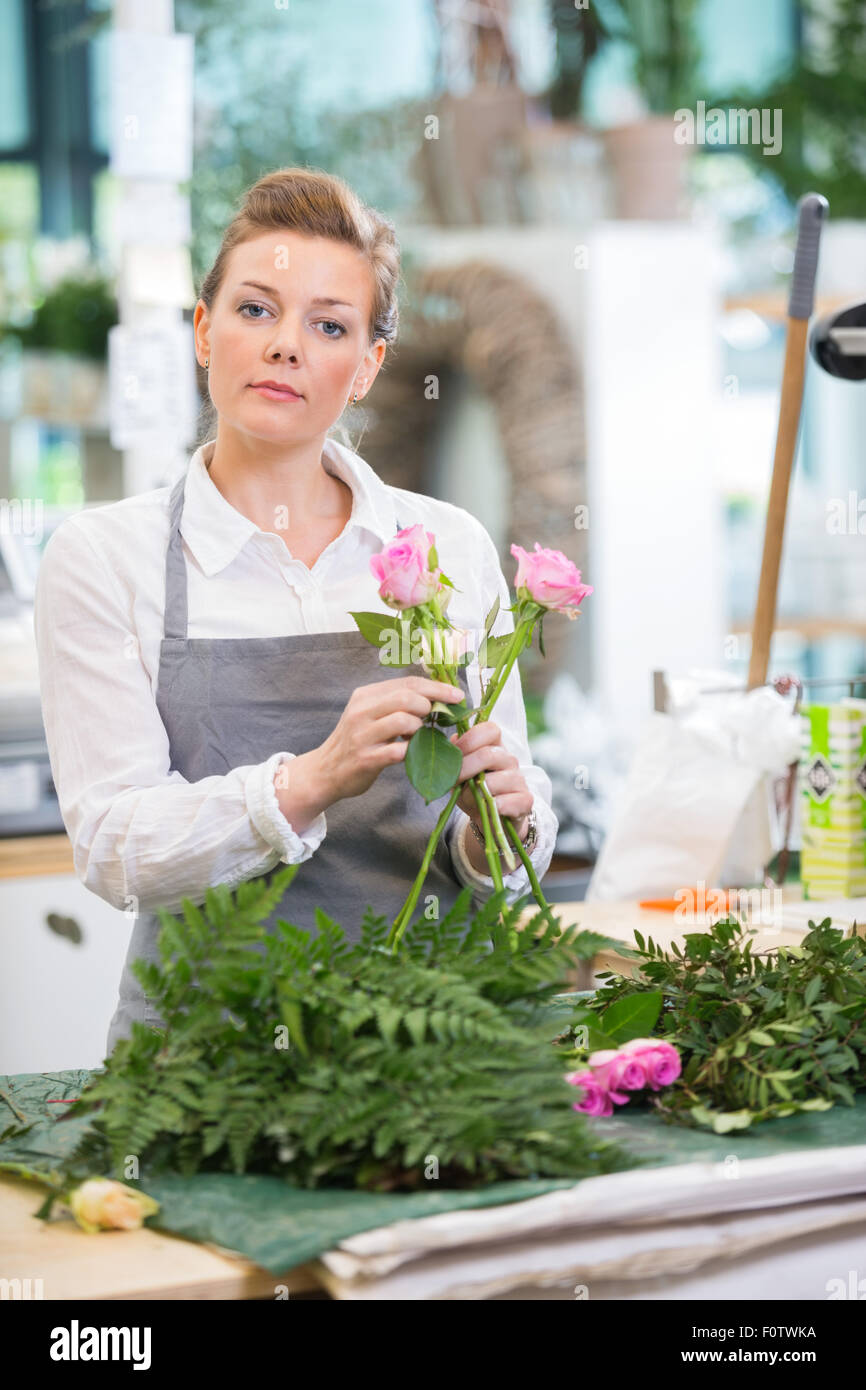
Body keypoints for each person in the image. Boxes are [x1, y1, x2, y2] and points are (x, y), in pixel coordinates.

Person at [33, 166, 558, 1055]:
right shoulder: (104, 560)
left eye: (328, 325)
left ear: (367, 367)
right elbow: (115, 849)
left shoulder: (450, 546)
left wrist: (501, 829)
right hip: (206, 1069)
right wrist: (310, 779)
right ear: (202, 332)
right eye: (254, 309)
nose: (286, 346)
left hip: (438, 1060)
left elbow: (502, 851)